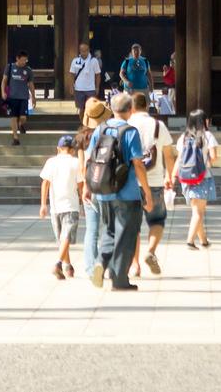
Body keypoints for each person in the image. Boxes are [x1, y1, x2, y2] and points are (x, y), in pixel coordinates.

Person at [85, 92, 151, 293]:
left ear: (112, 109)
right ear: (131, 110)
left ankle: (100, 262)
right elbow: (138, 164)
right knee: (126, 234)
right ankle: (119, 279)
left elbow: (90, 159)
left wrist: (88, 187)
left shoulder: (100, 129)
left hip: (103, 190)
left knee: (109, 230)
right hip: (127, 192)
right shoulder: (130, 132)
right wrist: (146, 192)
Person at [125, 90, 174, 277]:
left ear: (132, 107)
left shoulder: (127, 124)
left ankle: (134, 264)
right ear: (147, 105)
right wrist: (170, 176)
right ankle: (151, 251)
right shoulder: (158, 125)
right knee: (157, 220)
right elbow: (169, 154)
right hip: (154, 180)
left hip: (131, 182)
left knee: (132, 225)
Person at [37, 133, 84, 279]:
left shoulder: (51, 162)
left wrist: (43, 204)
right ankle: (58, 263)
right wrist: (83, 203)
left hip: (55, 206)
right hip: (71, 205)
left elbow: (45, 183)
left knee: (62, 238)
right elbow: (80, 185)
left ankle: (68, 266)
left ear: (58, 148)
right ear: (73, 150)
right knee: (66, 237)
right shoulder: (76, 163)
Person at [74, 97, 111, 275]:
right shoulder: (108, 134)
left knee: (91, 229)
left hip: (89, 183)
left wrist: (83, 189)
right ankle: (104, 264)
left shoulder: (81, 137)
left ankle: (90, 268)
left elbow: (82, 166)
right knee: (108, 227)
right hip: (106, 184)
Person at [175, 110, 219, 249]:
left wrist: (172, 176)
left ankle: (204, 240)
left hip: (186, 178)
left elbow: (180, 158)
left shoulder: (183, 137)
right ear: (204, 121)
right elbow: (213, 157)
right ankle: (190, 240)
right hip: (202, 177)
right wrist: (208, 162)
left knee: (196, 210)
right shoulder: (208, 136)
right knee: (198, 212)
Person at [2, 52, 35, 145]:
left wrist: (33, 97)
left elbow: (31, 84)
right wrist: (3, 92)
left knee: (23, 117)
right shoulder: (10, 67)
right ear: (17, 58)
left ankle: (20, 124)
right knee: (13, 116)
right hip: (12, 96)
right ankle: (15, 137)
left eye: (26, 60)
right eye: (22, 60)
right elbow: (4, 81)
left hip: (24, 97)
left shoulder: (28, 70)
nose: (24, 62)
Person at [67, 42, 101, 112]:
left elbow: (97, 75)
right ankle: (83, 122)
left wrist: (97, 87)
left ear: (88, 50)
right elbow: (72, 74)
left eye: (86, 50)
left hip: (90, 88)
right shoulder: (75, 61)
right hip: (79, 88)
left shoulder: (94, 61)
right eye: (82, 50)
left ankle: (89, 122)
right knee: (81, 109)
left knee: (91, 109)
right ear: (80, 51)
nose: (84, 52)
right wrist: (71, 86)